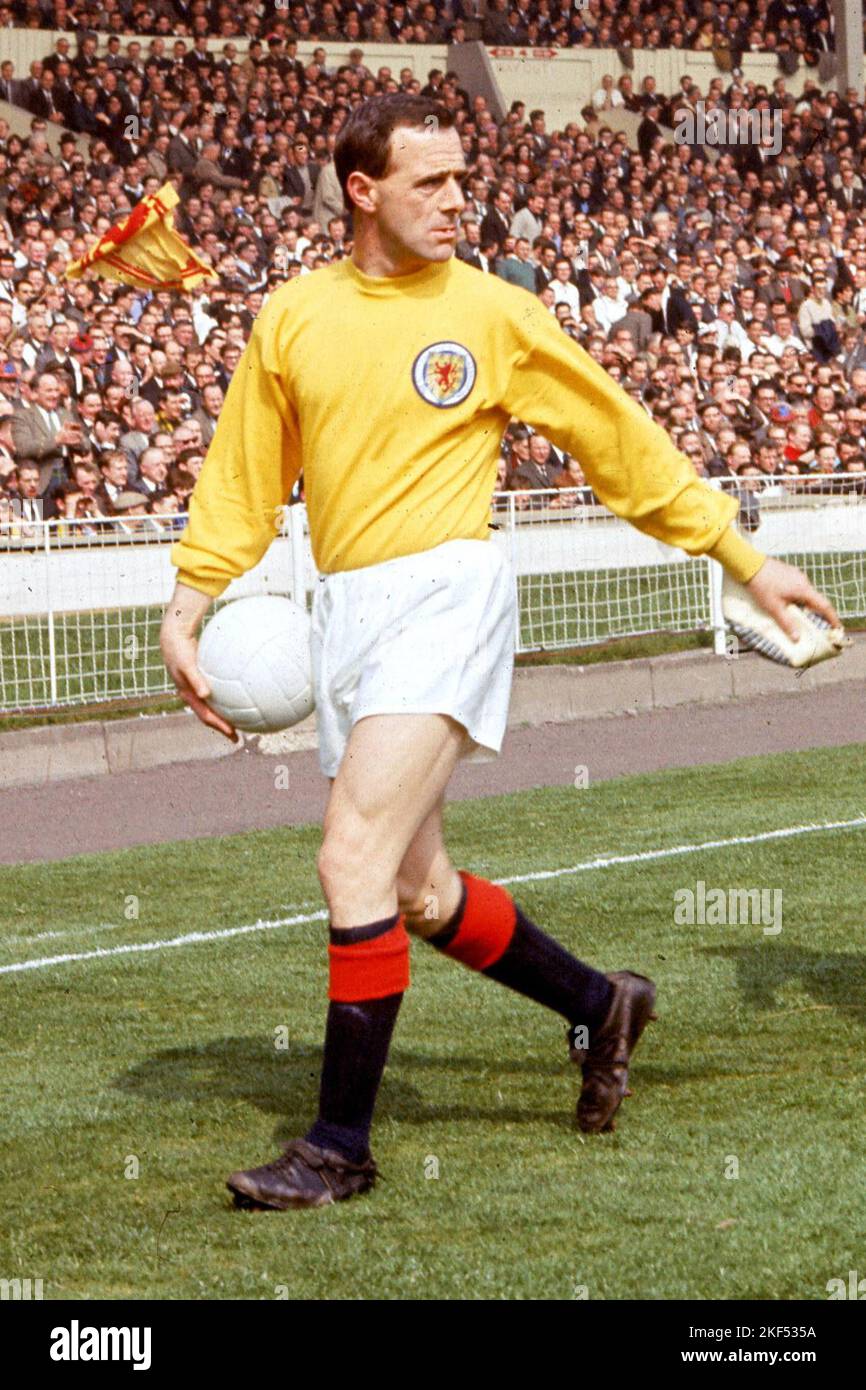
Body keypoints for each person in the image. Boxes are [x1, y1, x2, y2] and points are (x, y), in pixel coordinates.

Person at [159, 95, 840, 1213]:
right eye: (431, 183)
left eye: (462, 180)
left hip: (446, 593)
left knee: (349, 859)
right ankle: (598, 1001)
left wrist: (736, 556)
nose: (459, 200)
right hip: (344, 610)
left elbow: (613, 437)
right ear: (362, 190)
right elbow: (243, 473)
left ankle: (337, 1148)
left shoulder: (490, 312)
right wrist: (187, 607)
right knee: (417, 889)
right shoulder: (293, 316)